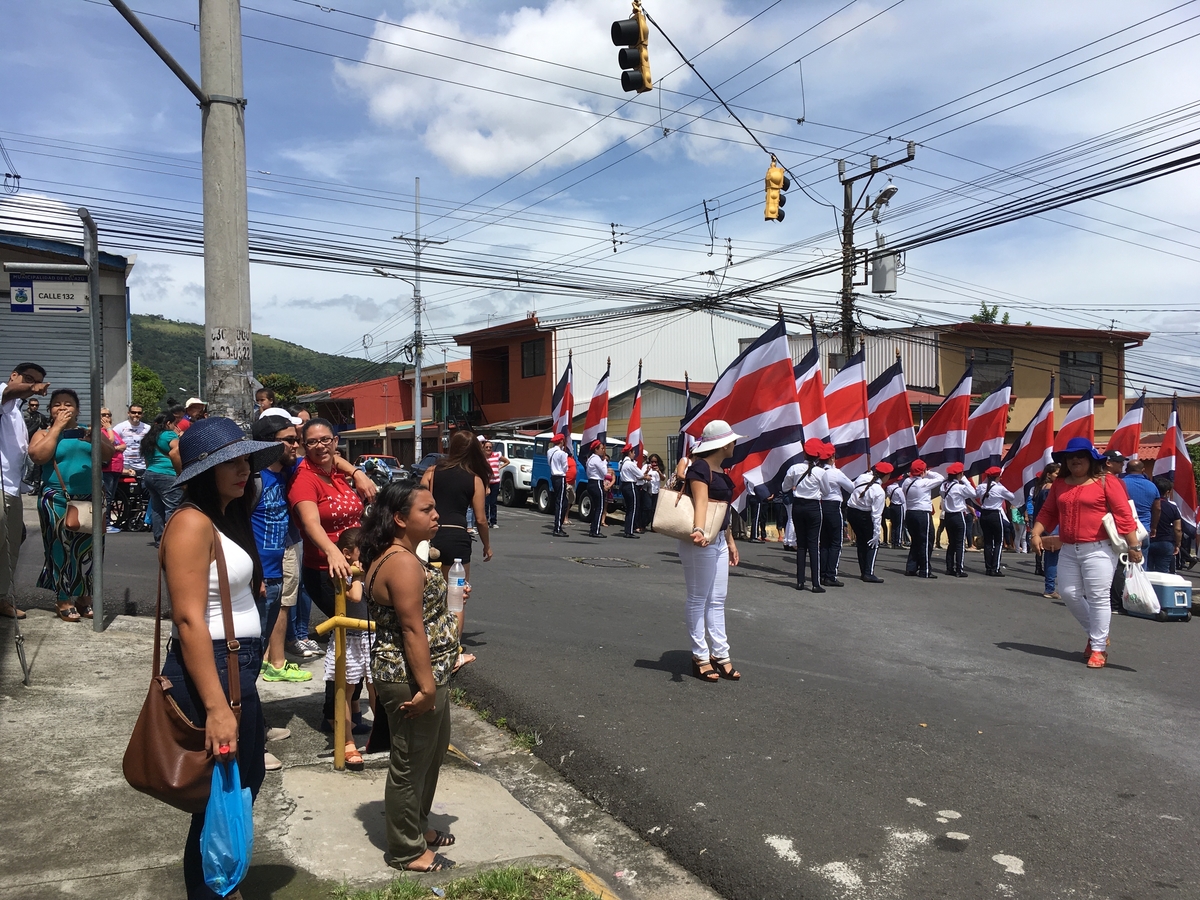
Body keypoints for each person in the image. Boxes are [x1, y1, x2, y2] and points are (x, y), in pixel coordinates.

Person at [157, 416, 283, 899]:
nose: (243, 469)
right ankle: (213, 892)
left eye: (245, 458)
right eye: (228, 462)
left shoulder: (225, 518)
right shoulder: (191, 522)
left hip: (237, 669)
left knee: (238, 786)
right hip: (213, 671)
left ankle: (220, 887)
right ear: (202, 471)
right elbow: (189, 621)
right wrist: (215, 708)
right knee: (216, 797)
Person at [361, 482, 461, 872]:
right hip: (410, 677)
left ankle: (418, 826)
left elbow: (424, 611)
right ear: (400, 518)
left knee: (430, 755)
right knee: (410, 764)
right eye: (427, 510)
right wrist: (426, 687)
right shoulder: (400, 562)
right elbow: (410, 629)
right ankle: (406, 849)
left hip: (428, 672)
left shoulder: (406, 555)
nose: (436, 515)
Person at [1031, 437, 1141, 669]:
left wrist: (1134, 546)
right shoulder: (1060, 485)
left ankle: (1098, 648)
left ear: (1091, 459)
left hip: (1099, 549)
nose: (1075, 460)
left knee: (1098, 596)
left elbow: (1123, 514)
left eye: (1080, 456)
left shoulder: (1106, 482)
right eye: (1070, 457)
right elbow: (1048, 511)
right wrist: (1035, 534)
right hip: (1069, 549)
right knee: (1069, 593)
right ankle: (1096, 633)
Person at [27, 388, 114, 621]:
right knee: (59, 548)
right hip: (55, 498)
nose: (63, 408)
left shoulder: (88, 431)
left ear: (77, 409)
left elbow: (109, 454)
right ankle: (63, 597)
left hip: (90, 499)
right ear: (50, 410)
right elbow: (38, 456)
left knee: (88, 549)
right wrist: (56, 428)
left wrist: (94, 438)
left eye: (68, 404)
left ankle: (84, 597)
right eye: (57, 404)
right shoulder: (44, 433)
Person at [249, 409, 312, 684]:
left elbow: (325, 460)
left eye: (295, 439)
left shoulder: (287, 470)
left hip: (276, 574)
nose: (295, 445)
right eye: (289, 440)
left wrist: (358, 473)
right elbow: (239, 530)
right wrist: (255, 574)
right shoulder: (252, 479)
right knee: (251, 644)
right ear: (268, 443)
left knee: (262, 638)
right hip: (259, 576)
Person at [678, 420, 742, 682]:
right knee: (698, 598)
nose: (735, 444)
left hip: (716, 540)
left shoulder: (719, 468)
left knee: (717, 599)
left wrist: (730, 540)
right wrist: (700, 530)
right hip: (700, 538)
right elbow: (701, 501)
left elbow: (722, 509)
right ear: (724, 444)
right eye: (733, 441)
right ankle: (700, 656)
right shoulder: (701, 468)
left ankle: (720, 654)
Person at [421, 431, 491, 669]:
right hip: (457, 539)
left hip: (431, 536)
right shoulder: (474, 479)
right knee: (456, 597)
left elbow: (418, 503)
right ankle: (452, 652)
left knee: (428, 595)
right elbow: (480, 519)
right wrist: (487, 546)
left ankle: (428, 645)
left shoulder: (431, 473)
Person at [323, 527, 374, 771]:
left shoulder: (365, 568)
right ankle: (347, 741)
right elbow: (354, 596)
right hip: (349, 637)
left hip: (370, 635)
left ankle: (385, 734)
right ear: (346, 553)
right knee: (345, 687)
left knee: (377, 688)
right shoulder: (343, 572)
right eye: (361, 552)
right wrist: (359, 576)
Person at [1, 362, 49, 620]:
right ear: (13, 376)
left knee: (10, 547)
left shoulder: (17, 412)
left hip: (12, 488)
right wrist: (30, 387)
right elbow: (8, 393)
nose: (32, 386)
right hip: (0, 488)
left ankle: (1, 597)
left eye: (36, 381)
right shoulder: (5, 397)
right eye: (28, 379)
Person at [782, 439, 830, 593]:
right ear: (818, 457)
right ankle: (815, 583)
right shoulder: (821, 472)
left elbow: (785, 487)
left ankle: (800, 581)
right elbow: (827, 491)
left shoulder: (794, 468)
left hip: (798, 506)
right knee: (813, 544)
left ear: (804, 453)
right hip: (813, 507)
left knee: (801, 544)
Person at [140, 412, 183, 546]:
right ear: (168, 423)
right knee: (172, 507)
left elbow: (147, 460)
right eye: (174, 424)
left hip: (150, 474)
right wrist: (180, 472)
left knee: (157, 508)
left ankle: (160, 539)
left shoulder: (149, 437)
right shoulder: (169, 435)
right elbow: (176, 451)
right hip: (167, 474)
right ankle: (172, 539)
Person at [846, 461, 891, 583]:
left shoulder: (863, 477)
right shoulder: (879, 491)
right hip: (863, 515)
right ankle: (868, 572)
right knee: (872, 543)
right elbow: (876, 516)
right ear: (886, 476)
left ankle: (863, 571)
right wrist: (877, 534)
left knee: (861, 541)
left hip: (851, 511)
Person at [817, 443, 855, 587]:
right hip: (833, 507)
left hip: (820, 507)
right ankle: (831, 575)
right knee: (835, 543)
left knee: (824, 543)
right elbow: (851, 487)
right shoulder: (836, 473)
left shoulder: (817, 471)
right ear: (832, 457)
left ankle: (822, 574)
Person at [902, 459, 944, 578]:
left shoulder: (906, 482)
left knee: (916, 541)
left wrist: (923, 472)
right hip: (922, 513)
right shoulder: (924, 482)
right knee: (926, 541)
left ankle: (911, 567)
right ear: (922, 471)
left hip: (910, 512)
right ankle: (925, 569)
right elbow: (940, 478)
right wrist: (929, 472)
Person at [976, 466, 1017, 576]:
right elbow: (1011, 496)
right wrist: (999, 485)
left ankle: (988, 568)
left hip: (984, 515)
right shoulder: (999, 488)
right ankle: (995, 568)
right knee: (998, 542)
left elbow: (976, 495)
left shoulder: (981, 487)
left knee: (988, 542)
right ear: (998, 477)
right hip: (995, 515)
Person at [939, 463, 976, 578]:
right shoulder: (959, 487)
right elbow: (973, 493)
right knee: (960, 544)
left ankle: (949, 568)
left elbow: (942, 493)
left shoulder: (943, 486)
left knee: (952, 543)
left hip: (948, 516)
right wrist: (965, 480)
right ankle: (959, 569)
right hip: (958, 516)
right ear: (959, 474)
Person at [1032, 465, 1062, 598]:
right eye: (1057, 474)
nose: (1059, 476)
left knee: (1051, 557)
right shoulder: (1050, 489)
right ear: (1049, 475)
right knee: (1053, 557)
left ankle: (1050, 587)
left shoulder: (1041, 488)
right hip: (1052, 526)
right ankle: (1050, 588)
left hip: (1045, 526)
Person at [98, 409, 125, 534]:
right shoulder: (101, 431)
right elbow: (110, 442)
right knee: (106, 497)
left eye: (109, 415)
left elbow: (123, 445)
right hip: (107, 468)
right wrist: (108, 428)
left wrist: (116, 448)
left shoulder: (112, 431)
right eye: (103, 415)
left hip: (116, 468)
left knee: (111, 496)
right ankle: (106, 523)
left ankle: (107, 521)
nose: (107, 417)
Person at [1148, 476, 1182, 574]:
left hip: (1149, 540)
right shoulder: (1173, 508)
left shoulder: (1148, 505)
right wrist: (1177, 544)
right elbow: (1178, 529)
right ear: (1167, 492)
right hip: (1166, 542)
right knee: (1162, 573)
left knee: (1146, 572)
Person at [113, 404, 149, 475]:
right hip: (124, 464)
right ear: (128, 413)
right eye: (133, 412)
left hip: (142, 466)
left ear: (142, 414)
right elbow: (111, 441)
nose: (136, 414)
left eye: (139, 413)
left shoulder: (147, 428)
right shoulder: (120, 427)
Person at [618, 446, 646, 538]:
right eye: (633, 452)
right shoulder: (630, 464)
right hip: (630, 485)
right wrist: (647, 477)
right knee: (633, 509)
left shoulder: (622, 463)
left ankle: (628, 529)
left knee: (629, 509)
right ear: (630, 452)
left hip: (624, 485)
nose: (634, 454)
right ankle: (629, 531)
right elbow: (640, 474)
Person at [584, 441, 609, 538]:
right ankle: (596, 530)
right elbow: (604, 472)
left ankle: (593, 528)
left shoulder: (590, 459)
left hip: (591, 482)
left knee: (596, 507)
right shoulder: (597, 459)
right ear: (596, 449)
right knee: (600, 507)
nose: (603, 451)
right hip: (597, 483)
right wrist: (604, 461)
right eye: (601, 449)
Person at [482, 438, 508, 529]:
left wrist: (500, 467)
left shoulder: (496, 455)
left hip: (495, 481)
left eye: (490, 447)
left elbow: (507, 461)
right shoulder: (482, 457)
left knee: (493, 503)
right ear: (483, 448)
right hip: (485, 482)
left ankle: (493, 521)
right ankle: (485, 521)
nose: (488, 449)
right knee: (485, 503)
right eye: (486, 447)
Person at [548, 434, 570, 536]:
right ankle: (557, 528)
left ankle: (558, 526)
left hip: (553, 476)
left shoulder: (550, 451)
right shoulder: (562, 454)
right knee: (560, 502)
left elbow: (549, 463)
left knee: (562, 501)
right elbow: (565, 468)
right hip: (560, 477)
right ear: (561, 441)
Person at [639, 453, 663, 532]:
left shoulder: (659, 468)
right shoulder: (646, 466)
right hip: (647, 489)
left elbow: (663, 478)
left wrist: (659, 471)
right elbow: (641, 475)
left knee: (654, 509)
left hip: (655, 490)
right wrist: (647, 470)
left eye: (655, 462)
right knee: (647, 507)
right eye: (652, 462)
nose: (653, 464)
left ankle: (653, 526)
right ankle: (643, 524)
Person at [885, 478, 906, 548]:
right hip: (898, 506)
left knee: (893, 524)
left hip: (892, 505)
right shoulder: (899, 489)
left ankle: (893, 541)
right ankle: (898, 542)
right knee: (899, 525)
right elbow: (903, 500)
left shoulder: (889, 487)